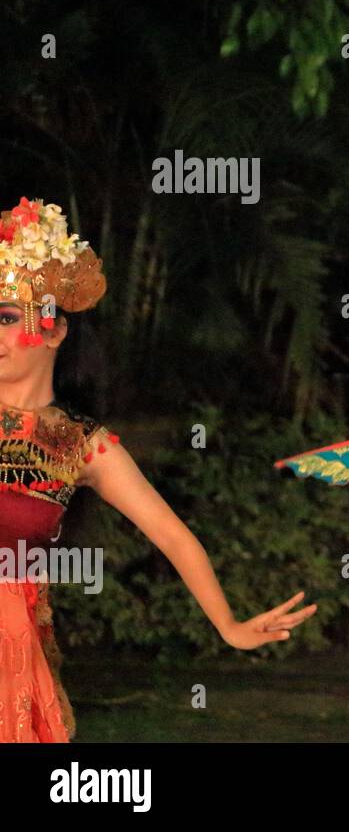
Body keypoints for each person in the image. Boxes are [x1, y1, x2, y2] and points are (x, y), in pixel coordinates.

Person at [0, 197, 317, 742]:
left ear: (54, 330)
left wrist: (230, 627)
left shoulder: (82, 446)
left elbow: (174, 536)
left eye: (7, 318)